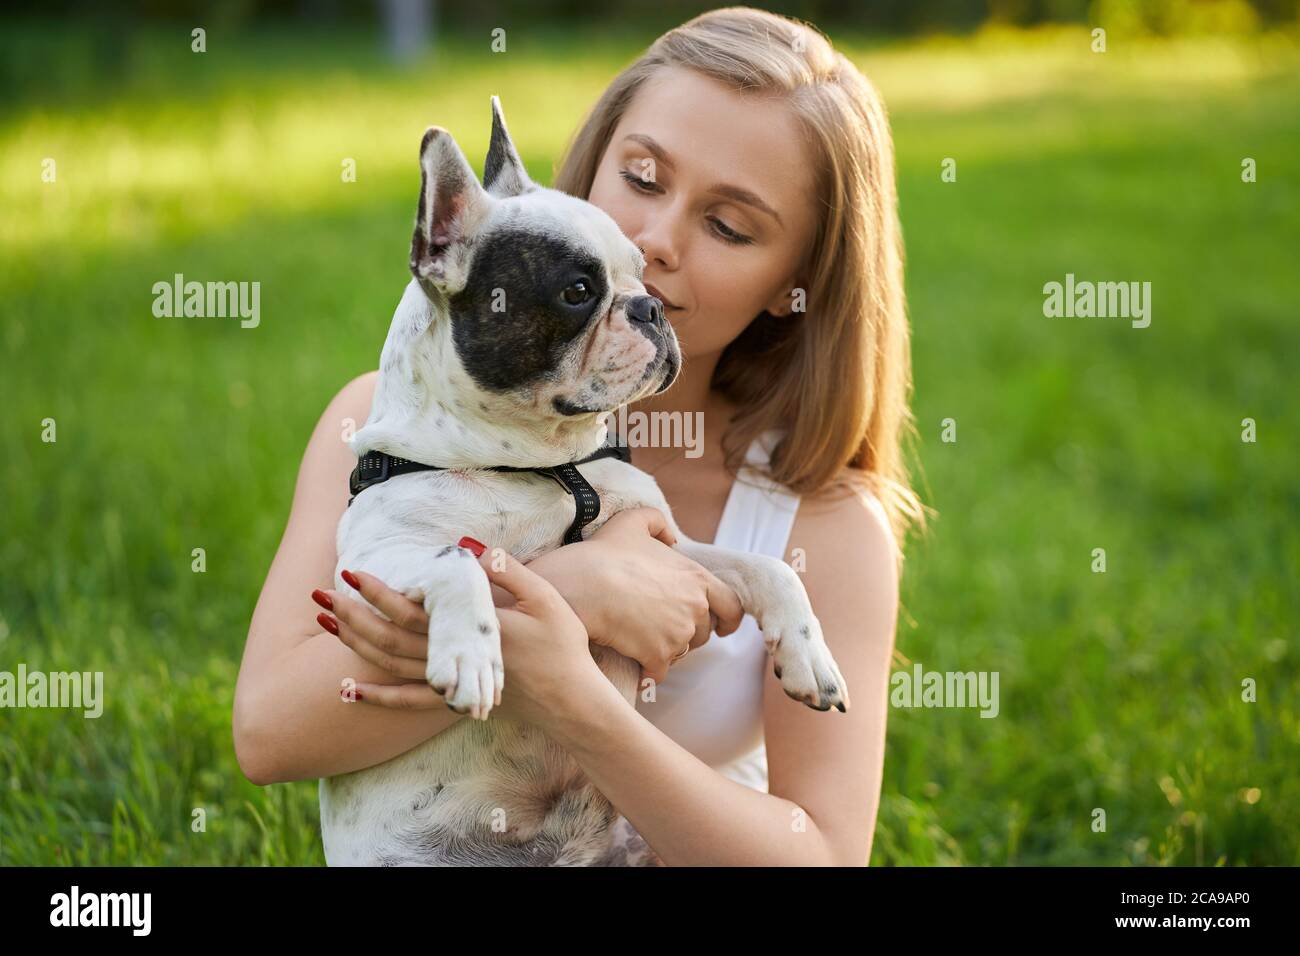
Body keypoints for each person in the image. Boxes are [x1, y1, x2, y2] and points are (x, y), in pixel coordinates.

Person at [233, 6, 923, 866]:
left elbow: (822, 855)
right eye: (641, 177)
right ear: (591, 160)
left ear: (799, 282)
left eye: (728, 226)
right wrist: (579, 590)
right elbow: (269, 735)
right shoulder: (379, 432)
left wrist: (575, 699)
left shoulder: (819, 519)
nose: (658, 239)